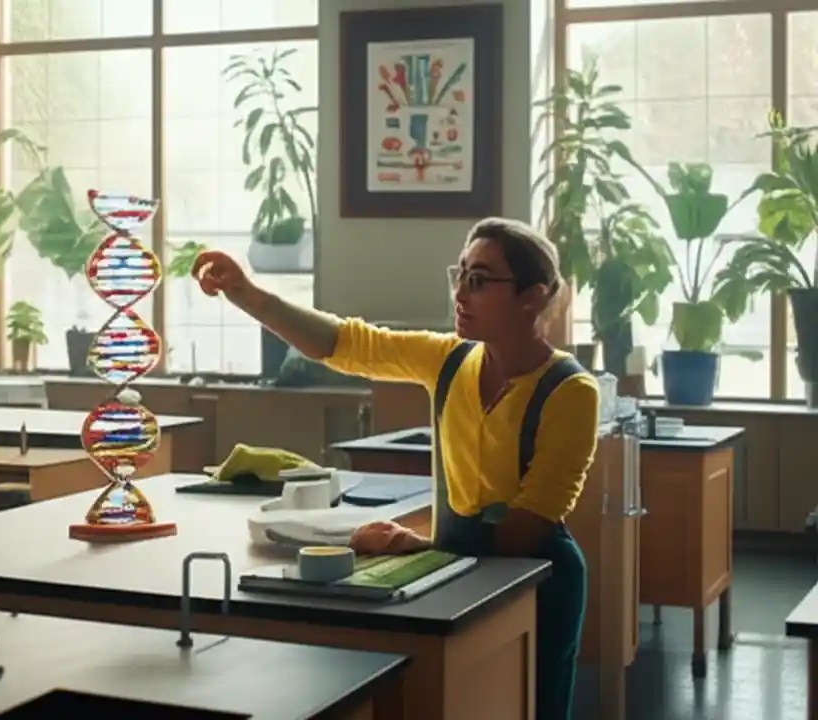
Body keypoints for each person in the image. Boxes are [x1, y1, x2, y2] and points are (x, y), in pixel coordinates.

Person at [192, 217, 597, 720]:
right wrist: (247, 293)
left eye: (480, 280)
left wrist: (424, 546)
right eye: (460, 274)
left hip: (538, 579)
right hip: (459, 574)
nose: (461, 293)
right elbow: (345, 343)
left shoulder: (570, 391)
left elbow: (530, 526)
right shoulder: (449, 360)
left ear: (531, 298)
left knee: (531, 707)